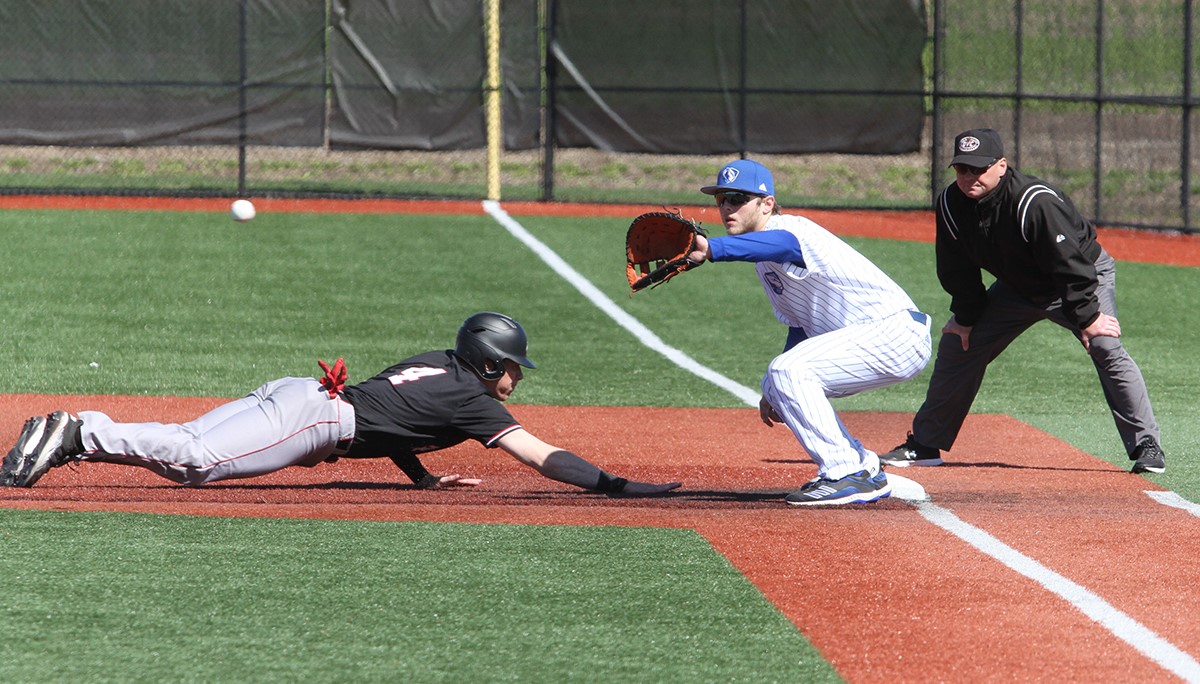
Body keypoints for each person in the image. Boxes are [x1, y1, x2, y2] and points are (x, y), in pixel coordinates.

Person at [1, 312, 682, 496]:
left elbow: (393, 419)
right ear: (486, 363)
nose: (515, 379)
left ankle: (80, 432)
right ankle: (80, 431)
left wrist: (421, 474)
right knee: (197, 463)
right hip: (316, 418)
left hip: (300, 394)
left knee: (187, 441)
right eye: (511, 367)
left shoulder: (435, 362)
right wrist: (616, 485)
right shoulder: (475, 402)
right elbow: (542, 458)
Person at [881, 128, 1165, 474]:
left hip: (1078, 280)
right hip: (1018, 288)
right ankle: (925, 444)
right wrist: (967, 316)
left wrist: (1088, 318)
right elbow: (956, 267)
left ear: (1001, 165)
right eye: (962, 169)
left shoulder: (1034, 201)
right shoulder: (951, 203)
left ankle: (1146, 444)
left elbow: (1070, 265)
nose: (969, 176)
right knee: (959, 342)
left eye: (978, 168)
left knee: (1104, 344)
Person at [686, 159, 933, 506]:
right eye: (722, 198)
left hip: (895, 333)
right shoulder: (764, 260)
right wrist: (776, 393)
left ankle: (845, 473)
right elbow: (799, 324)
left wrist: (714, 249)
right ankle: (864, 466)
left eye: (739, 198)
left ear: (766, 203)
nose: (728, 206)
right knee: (777, 379)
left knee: (788, 371)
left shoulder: (793, 231)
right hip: (873, 337)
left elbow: (779, 245)